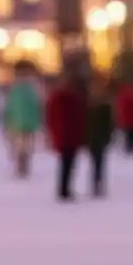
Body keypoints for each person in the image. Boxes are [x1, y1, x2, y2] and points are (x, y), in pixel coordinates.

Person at [45, 71, 88, 201]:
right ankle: (64, 189)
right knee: (66, 163)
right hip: (66, 136)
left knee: (68, 164)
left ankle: (65, 189)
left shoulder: (66, 98)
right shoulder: (66, 98)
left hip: (69, 136)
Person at [3, 62, 43, 177]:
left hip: (26, 123)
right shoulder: (15, 88)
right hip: (18, 123)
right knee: (20, 146)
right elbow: (10, 107)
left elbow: (37, 106)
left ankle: (23, 164)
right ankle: (21, 164)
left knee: (25, 146)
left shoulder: (32, 88)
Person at [85, 76, 115, 197]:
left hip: (98, 138)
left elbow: (109, 124)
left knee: (98, 162)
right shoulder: (95, 106)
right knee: (97, 162)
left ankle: (97, 184)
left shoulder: (100, 106)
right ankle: (96, 184)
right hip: (95, 137)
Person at [115, 81, 133, 154]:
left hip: (128, 120)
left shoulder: (123, 96)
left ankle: (130, 147)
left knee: (129, 134)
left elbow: (121, 108)